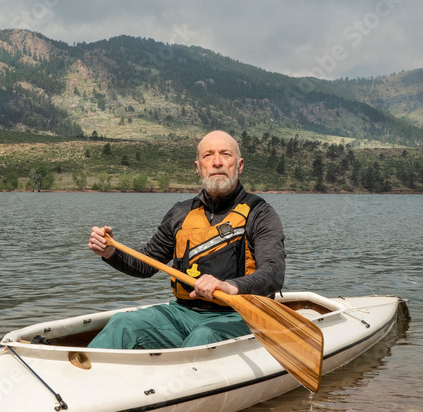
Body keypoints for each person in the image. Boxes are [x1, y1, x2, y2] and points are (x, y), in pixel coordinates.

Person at [87, 130, 286, 349]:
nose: (217, 162)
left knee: (203, 337)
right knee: (122, 323)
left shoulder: (260, 214)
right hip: (183, 313)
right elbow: (145, 265)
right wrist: (111, 253)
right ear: (198, 167)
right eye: (208, 155)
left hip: (240, 316)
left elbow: (273, 273)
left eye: (226, 154)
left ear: (239, 165)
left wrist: (227, 286)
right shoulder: (180, 213)